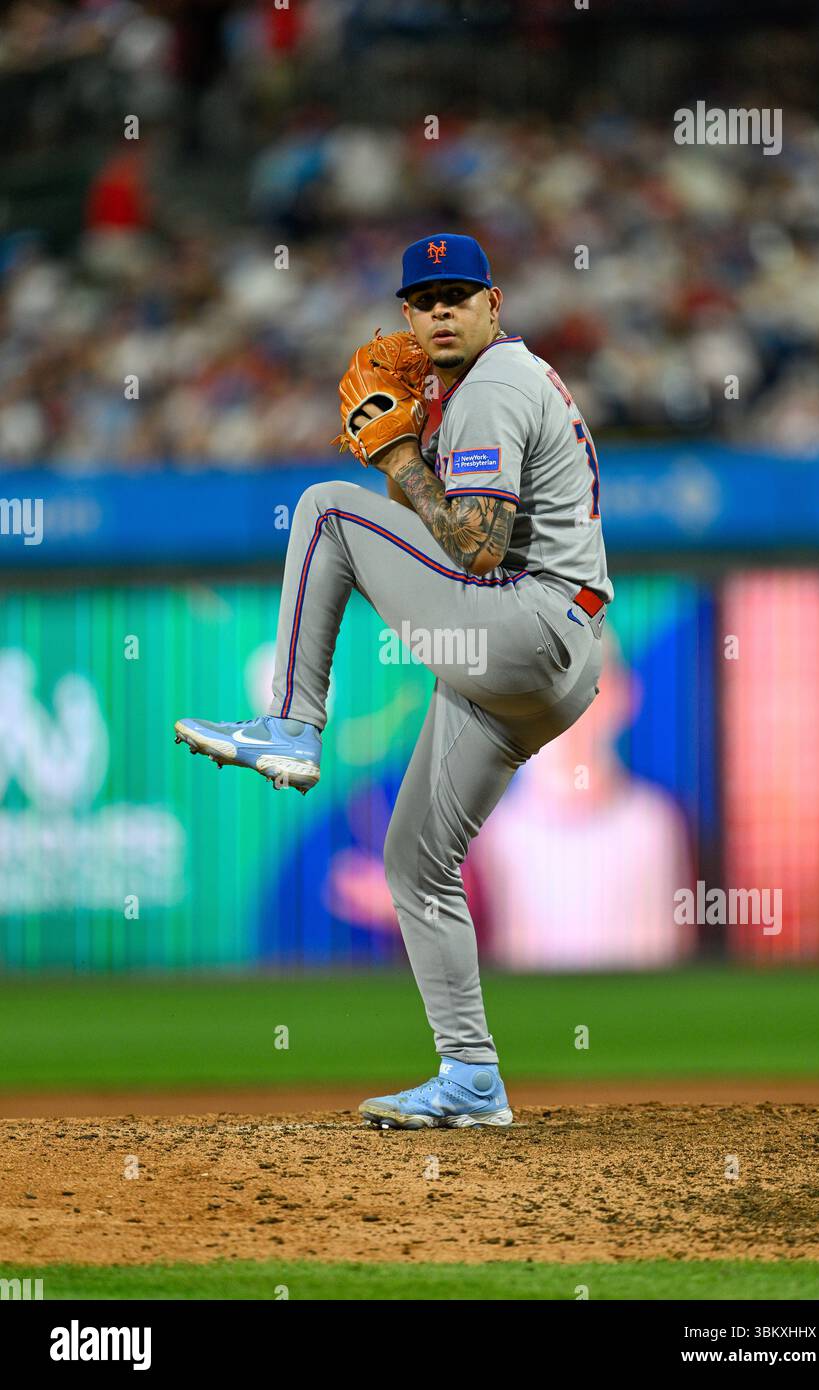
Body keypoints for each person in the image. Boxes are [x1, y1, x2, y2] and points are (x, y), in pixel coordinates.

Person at [174, 232, 614, 1129]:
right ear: (407, 315)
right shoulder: (490, 386)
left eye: (460, 294)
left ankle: (293, 724)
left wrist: (398, 457)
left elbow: (479, 546)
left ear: (495, 305)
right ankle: (472, 1080)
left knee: (328, 509)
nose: (442, 311)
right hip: (546, 662)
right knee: (417, 861)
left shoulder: (492, 384)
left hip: (525, 624)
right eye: (426, 299)